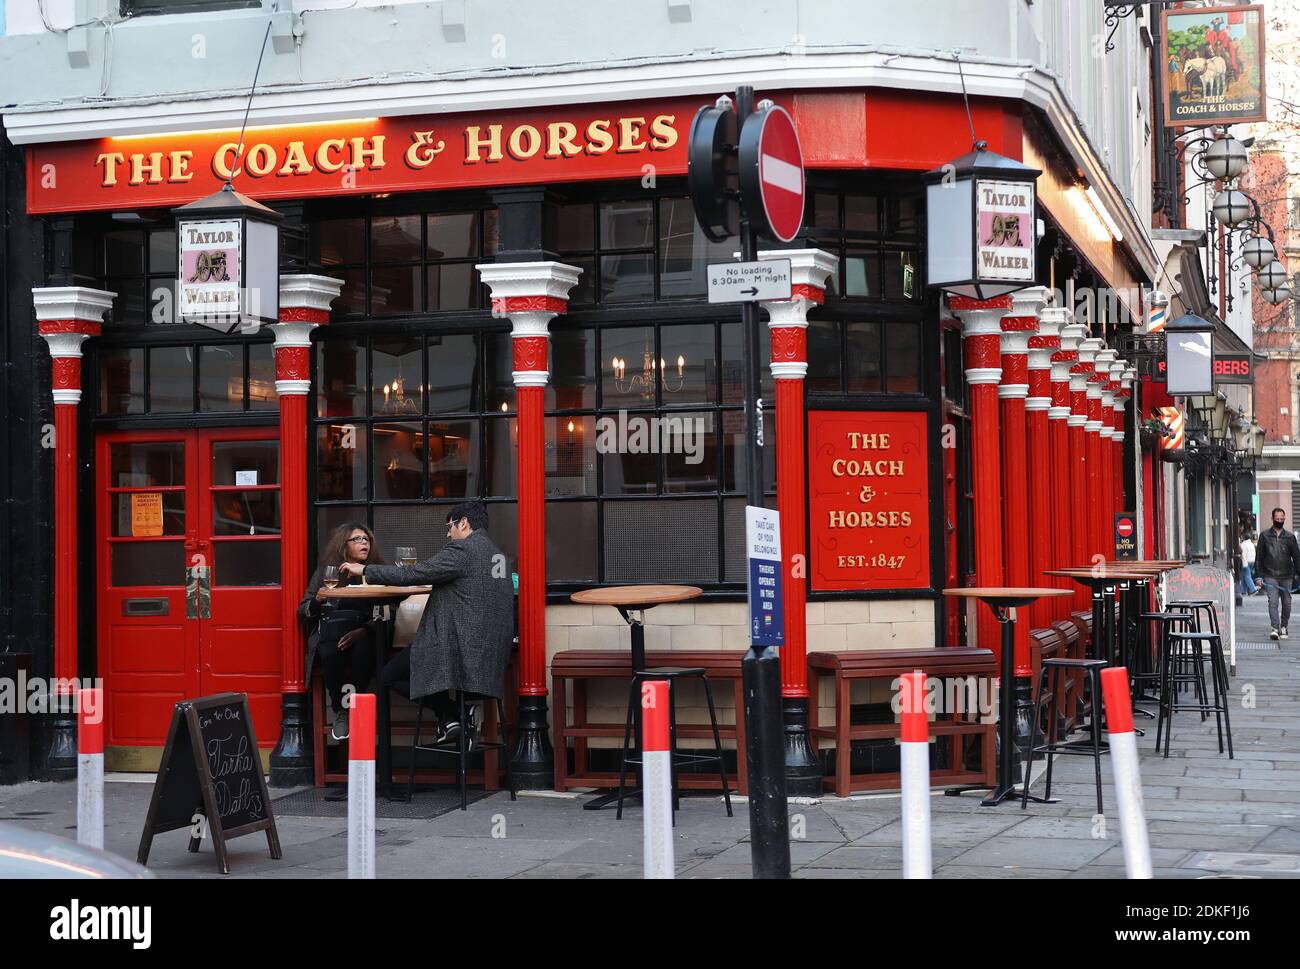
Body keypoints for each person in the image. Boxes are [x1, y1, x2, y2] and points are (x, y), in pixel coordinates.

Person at [341, 500, 513, 746]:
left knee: (389, 674)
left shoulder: (463, 550)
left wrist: (366, 571)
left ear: (464, 523)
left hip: (460, 651)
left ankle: (453, 712)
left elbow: (413, 573)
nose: (448, 534)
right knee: (418, 663)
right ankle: (451, 719)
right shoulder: (498, 555)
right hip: (491, 652)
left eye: (450, 527)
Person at [299, 523, 384, 743]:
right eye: (357, 539)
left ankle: (357, 709)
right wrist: (318, 600)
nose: (364, 543)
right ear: (343, 545)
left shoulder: (376, 571)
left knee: (362, 652)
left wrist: (365, 630)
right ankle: (340, 711)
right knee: (329, 651)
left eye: (366, 539)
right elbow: (302, 611)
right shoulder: (326, 572)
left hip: (364, 630)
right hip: (332, 630)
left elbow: (389, 611)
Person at [1256, 507, 1300, 640]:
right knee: (1273, 602)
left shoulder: (1290, 537)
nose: (1280, 520)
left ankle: (1284, 626)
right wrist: (1258, 576)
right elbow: (1259, 557)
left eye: (1282, 518)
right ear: (1272, 518)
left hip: (1287, 575)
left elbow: (1297, 557)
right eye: (1277, 518)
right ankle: (1275, 628)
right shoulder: (1264, 536)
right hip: (1270, 574)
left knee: (1287, 602)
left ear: (1284, 519)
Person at [1238, 528, 1259, 596]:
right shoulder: (1251, 544)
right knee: (1244, 576)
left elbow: (1243, 555)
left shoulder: (1243, 545)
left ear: (1244, 537)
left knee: (1247, 576)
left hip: (1246, 562)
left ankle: (1253, 589)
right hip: (1252, 561)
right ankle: (1243, 591)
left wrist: (1244, 564)